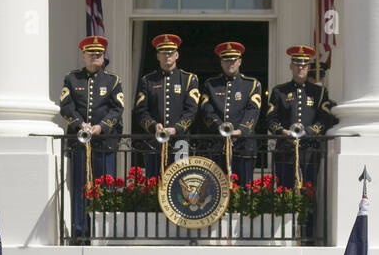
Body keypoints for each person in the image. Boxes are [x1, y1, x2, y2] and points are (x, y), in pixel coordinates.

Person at [59, 35, 124, 239]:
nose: (95, 56)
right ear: (83, 56)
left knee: (105, 188)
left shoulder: (113, 81)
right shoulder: (71, 79)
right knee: (80, 188)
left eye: (99, 54)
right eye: (91, 54)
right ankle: (81, 232)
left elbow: (117, 109)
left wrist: (101, 127)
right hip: (79, 144)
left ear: (103, 57)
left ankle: (105, 232)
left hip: (105, 144)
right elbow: (66, 106)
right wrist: (80, 124)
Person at [265, 45, 336, 194]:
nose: (300, 68)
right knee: (285, 191)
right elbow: (271, 118)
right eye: (297, 64)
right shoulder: (279, 91)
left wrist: (308, 132)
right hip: (285, 149)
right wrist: (282, 131)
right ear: (291, 66)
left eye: (303, 65)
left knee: (309, 192)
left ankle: (308, 218)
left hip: (310, 149)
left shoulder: (319, 92)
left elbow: (323, 119)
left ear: (308, 67)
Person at [132, 33, 199, 179]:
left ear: (176, 55)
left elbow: (191, 111)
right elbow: (141, 111)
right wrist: (153, 126)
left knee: (180, 183)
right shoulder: (148, 80)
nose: (167, 55)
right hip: (154, 141)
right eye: (163, 52)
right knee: (153, 182)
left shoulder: (188, 79)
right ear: (157, 56)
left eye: (170, 52)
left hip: (180, 141)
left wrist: (177, 128)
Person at [198, 41, 263, 186]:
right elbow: (206, 110)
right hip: (216, 145)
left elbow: (253, 110)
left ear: (239, 62)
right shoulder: (210, 84)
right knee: (216, 189)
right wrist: (220, 127)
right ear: (221, 62)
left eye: (233, 60)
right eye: (226, 60)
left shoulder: (252, 84)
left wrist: (241, 130)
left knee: (244, 189)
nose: (230, 64)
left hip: (244, 145)